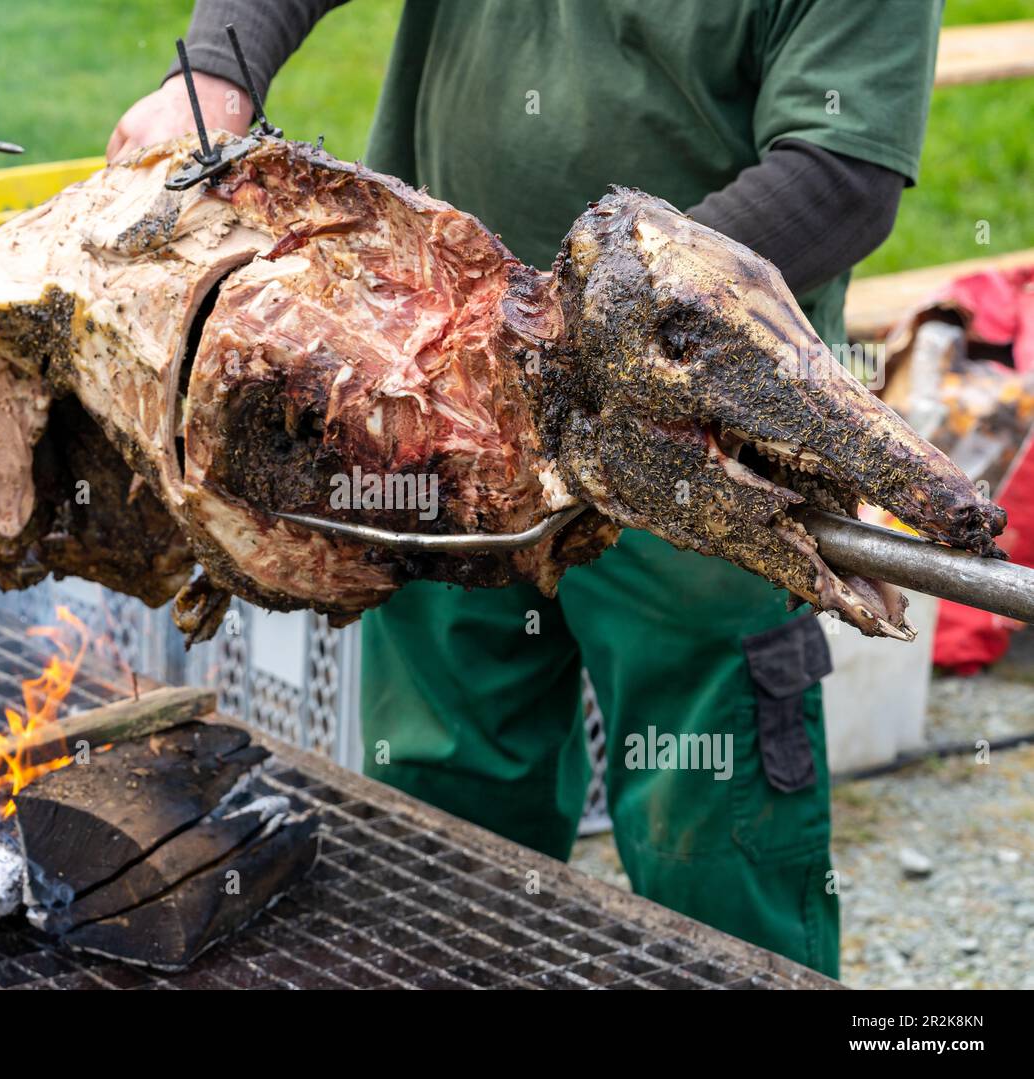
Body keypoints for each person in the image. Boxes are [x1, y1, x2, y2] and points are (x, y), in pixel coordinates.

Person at [108, 0, 943, 978]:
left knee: (710, 825)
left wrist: (577, 322)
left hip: (693, 441)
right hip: (436, 398)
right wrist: (215, 65)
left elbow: (840, 175)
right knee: (444, 792)